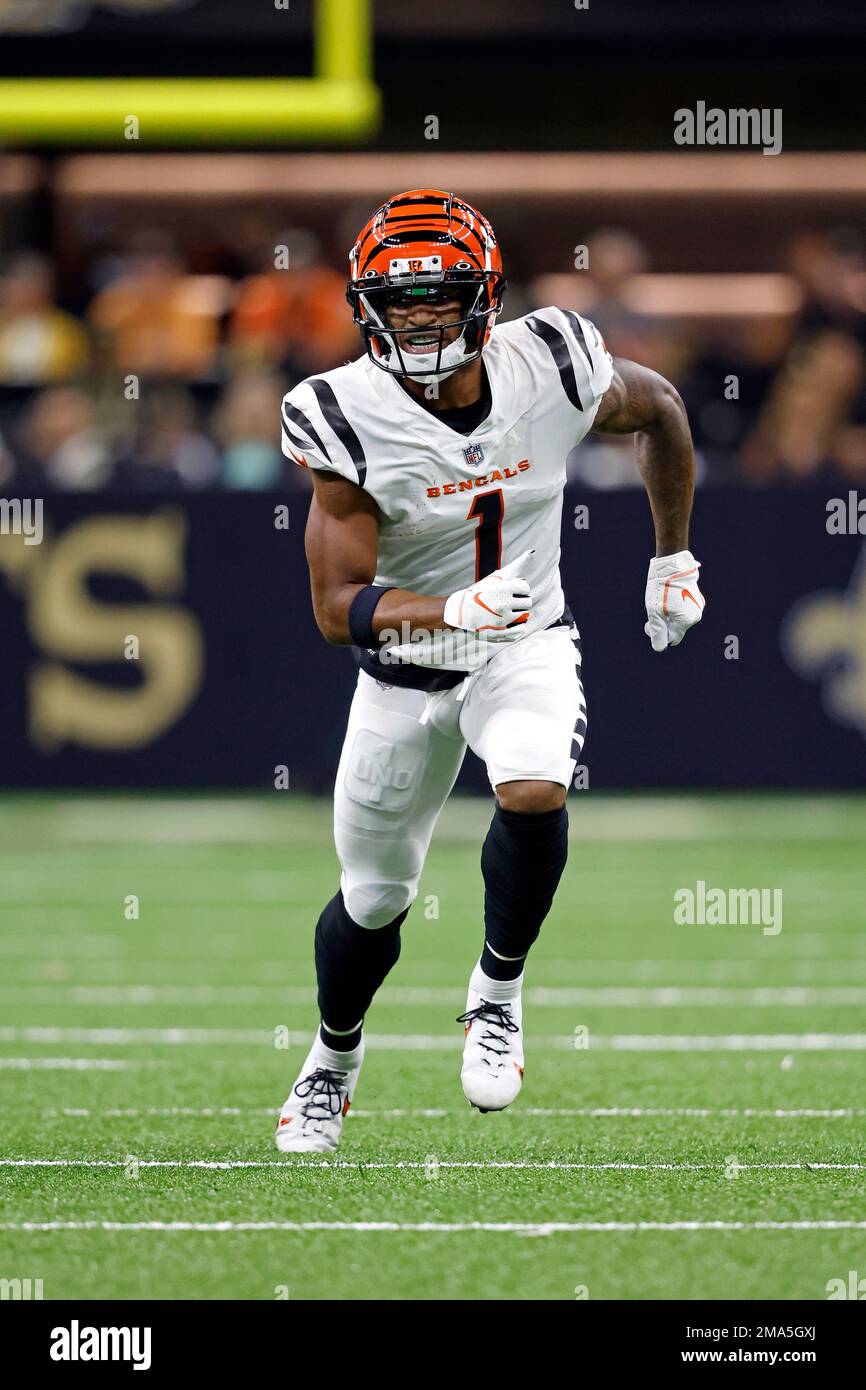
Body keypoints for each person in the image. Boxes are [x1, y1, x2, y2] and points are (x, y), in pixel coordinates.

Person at [275, 190, 705, 1153]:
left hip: (524, 642)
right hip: (404, 671)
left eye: (442, 295)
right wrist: (443, 610)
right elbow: (333, 605)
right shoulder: (340, 412)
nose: (423, 316)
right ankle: (332, 1060)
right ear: (365, 304)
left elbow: (664, 410)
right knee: (374, 899)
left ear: (486, 297)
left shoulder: (550, 359)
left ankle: (497, 997)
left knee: (534, 785)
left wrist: (671, 557)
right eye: (403, 297)